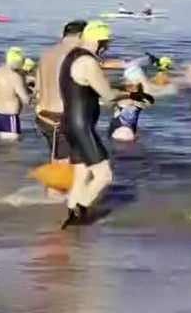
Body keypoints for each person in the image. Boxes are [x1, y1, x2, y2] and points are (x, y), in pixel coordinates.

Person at [59, 20, 150, 227]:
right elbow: (108, 96)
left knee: (82, 174)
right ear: (101, 42)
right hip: (81, 127)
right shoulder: (88, 62)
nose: (107, 47)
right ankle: (77, 215)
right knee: (104, 175)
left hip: (71, 124)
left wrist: (121, 89)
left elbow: (89, 86)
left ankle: (72, 218)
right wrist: (133, 95)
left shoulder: (72, 57)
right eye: (106, 43)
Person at [35, 20, 86, 166]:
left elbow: (38, 87)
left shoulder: (46, 54)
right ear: (80, 35)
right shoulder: (75, 56)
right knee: (67, 167)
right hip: (62, 118)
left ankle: (52, 187)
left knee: (57, 162)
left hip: (44, 116)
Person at [0, 47, 30, 141]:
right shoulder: (15, 76)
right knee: (12, 147)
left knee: (2, 142)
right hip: (8, 115)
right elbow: (25, 99)